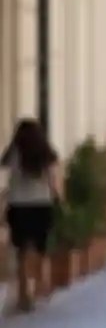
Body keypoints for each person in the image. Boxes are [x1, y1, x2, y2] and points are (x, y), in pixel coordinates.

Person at [2, 119, 60, 313]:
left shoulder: (14, 153)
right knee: (40, 248)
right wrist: (58, 198)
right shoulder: (45, 154)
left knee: (21, 250)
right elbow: (54, 178)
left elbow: (8, 176)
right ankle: (41, 285)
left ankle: (23, 294)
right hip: (41, 205)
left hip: (18, 206)